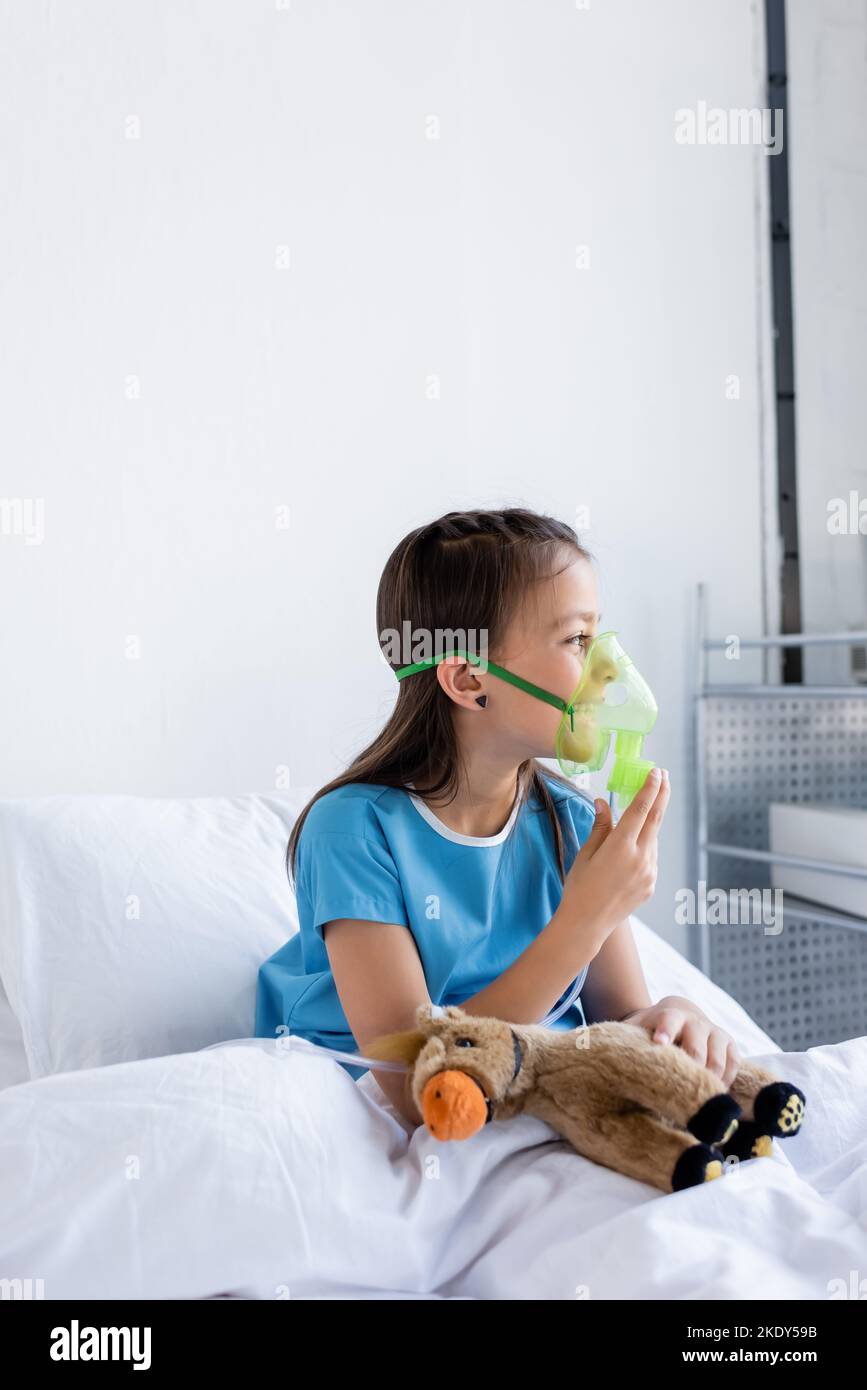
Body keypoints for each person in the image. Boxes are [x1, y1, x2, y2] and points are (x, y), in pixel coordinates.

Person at [255, 508, 741, 1127]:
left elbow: (617, 1020)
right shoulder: (353, 831)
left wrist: (669, 1022)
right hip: (400, 1108)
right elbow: (414, 1087)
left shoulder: (569, 823)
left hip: (531, 1094)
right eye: (577, 641)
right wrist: (584, 918)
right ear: (467, 677)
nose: (610, 668)